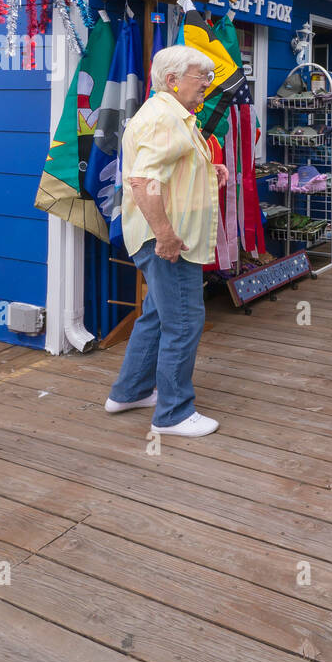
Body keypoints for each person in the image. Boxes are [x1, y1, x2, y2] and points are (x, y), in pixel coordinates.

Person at [104, 45, 227, 437]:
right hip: (168, 240)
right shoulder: (164, 119)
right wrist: (166, 235)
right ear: (172, 81)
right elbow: (143, 181)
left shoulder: (172, 115)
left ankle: (130, 392)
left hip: (164, 236)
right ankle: (173, 413)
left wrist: (211, 168)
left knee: (157, 316)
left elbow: (167, 168)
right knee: (185, 322)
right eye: (201, 77)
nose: (207, 84)